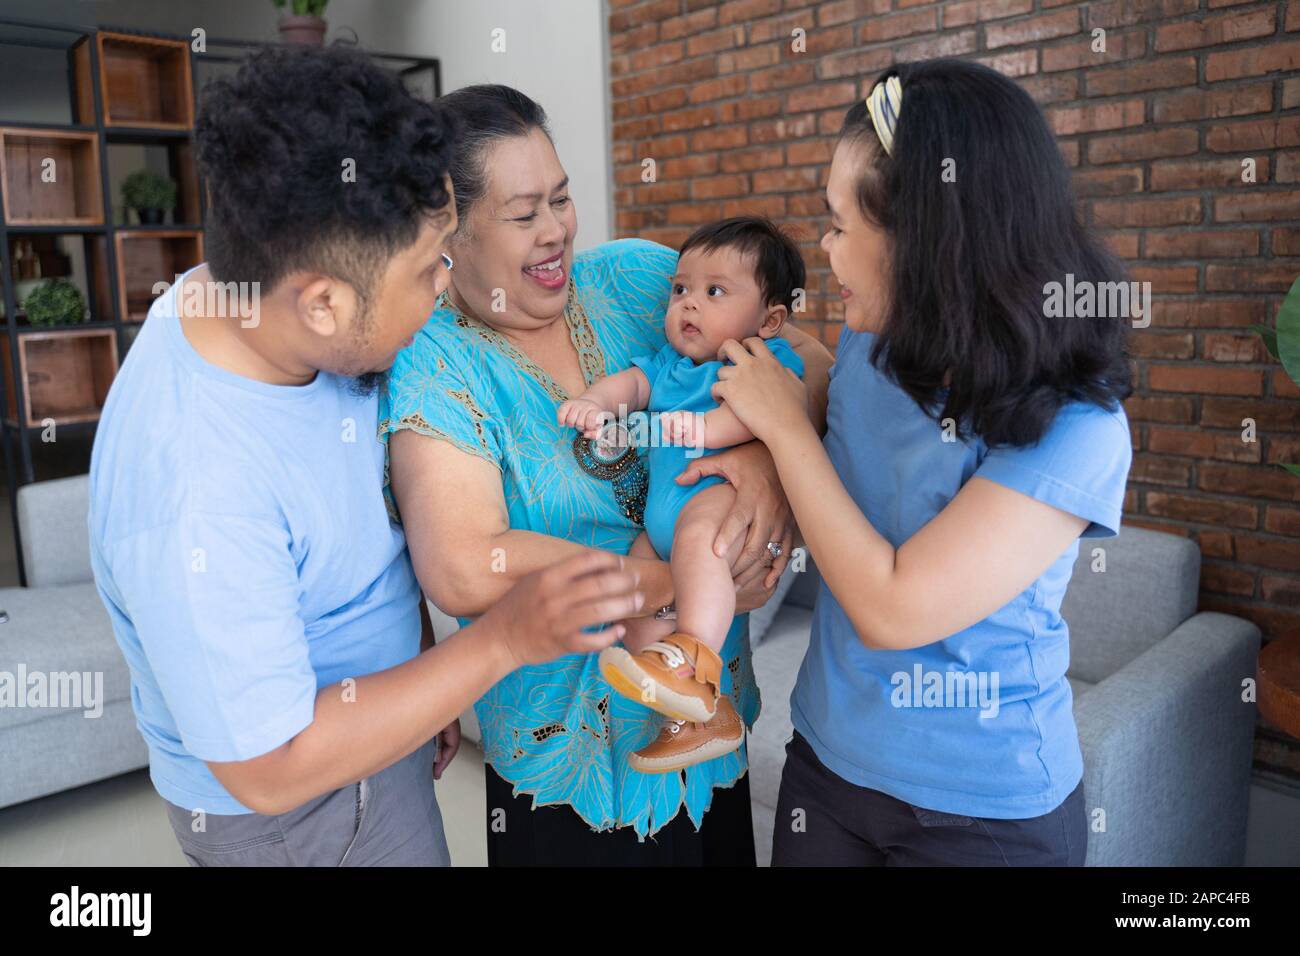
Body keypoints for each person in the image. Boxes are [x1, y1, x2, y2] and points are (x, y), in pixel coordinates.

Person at [88, 48, 639, 867]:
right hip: (299, 814)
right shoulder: (194, 485)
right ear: (322, 302)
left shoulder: (262, 301)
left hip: (377, 743)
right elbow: (268, 766)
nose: (446, 289)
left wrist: (418, 661)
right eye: (428, 272)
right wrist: (496, 646)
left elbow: (361, 511)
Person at [384, 85, 833, 866]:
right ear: (446, 231)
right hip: (564, 772)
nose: (556, 229)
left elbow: (818, 371)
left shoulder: (641, 279)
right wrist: (665, 579)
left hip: (706, 743)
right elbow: (462, 564)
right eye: (525, 213)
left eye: (561, 198)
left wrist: (760, 462)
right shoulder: (433, 360)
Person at [714, 59, 1134, 866]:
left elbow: (895, 605)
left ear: (927, 241)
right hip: (828, 767)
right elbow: (845, 435)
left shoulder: (1081, 427)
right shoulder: (875, 344)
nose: (825, 251)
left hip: (985, 813)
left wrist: (786, 434)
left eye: (840, 227)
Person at [558, 217, 806, 773]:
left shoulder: (759, 364)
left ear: (770, 320)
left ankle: (693, 649)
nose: (689, 304)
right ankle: (691, 713)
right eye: (680, 290)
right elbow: (633, 386)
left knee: (697, 546)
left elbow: (770, 412)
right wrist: (596, 402)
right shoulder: (671, 366)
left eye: (714, 291)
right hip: (660, 519)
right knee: (638, 599)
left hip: (714, 500)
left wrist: (700, 431)